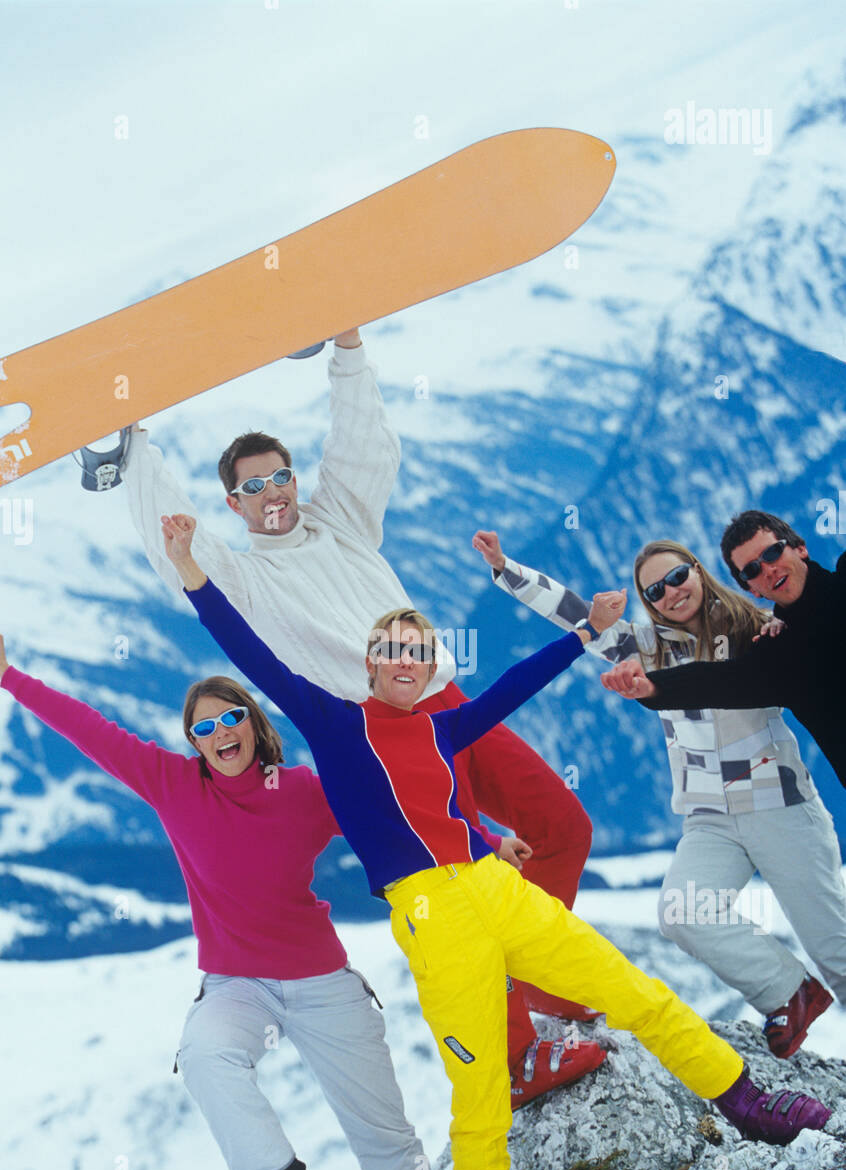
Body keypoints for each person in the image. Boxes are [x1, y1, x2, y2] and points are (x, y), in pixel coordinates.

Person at [162, 511, 832, 1170]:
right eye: (392, 652)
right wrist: (191, 571)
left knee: (637, 995)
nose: (406, 663)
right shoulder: (333, 723)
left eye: (418, 652)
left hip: (496, 890)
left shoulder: (441, 726)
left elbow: (511, 687)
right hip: (432, 917)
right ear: (370, 664)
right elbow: (252, 653)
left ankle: (748, 1101)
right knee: (479, 1089)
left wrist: (585, 635)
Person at [116, 327, 598, 1104]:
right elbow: (174, 544)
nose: (272, 493)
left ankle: (539, 976)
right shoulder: (240, 574)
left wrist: (345, 347)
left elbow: (365, 448)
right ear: (233, 504)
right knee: (464, 885)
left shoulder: (340, 518)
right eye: (252, 487)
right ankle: (516, 1057)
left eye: (280, 477)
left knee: (563, 827)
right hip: (380, 741)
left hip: (449, 706)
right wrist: (136, 449)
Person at [0, 640, 471, 1170]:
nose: (220, 731)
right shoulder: (172, 785)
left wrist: (488, 842)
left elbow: (397, 815)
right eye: (204, 726)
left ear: (254, 723)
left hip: (323, 982)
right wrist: (6, 675)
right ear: (193, 741)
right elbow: (88, 727)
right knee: (204, 1054)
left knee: (386, 1141)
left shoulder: (303, 790)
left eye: (231, 718)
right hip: (236, 986)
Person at [472, 528, 846, 1055]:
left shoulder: (758, 630)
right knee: (682, 911)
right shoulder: (642, 648)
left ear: (698, 571)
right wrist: (505, 567)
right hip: (709, 821)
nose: (670, 592)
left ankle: (816, 982)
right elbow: (574, 611)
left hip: (780, 808)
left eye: (677, 576)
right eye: (655, 591)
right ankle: (790, 991)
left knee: (837, 951)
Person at [600, 511, 846, 787]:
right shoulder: (779, 658)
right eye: (752, 570)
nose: (768, 569)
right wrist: (651, 686)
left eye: (772, 553)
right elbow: (716, 681)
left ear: (800, 548)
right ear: (751, 588)